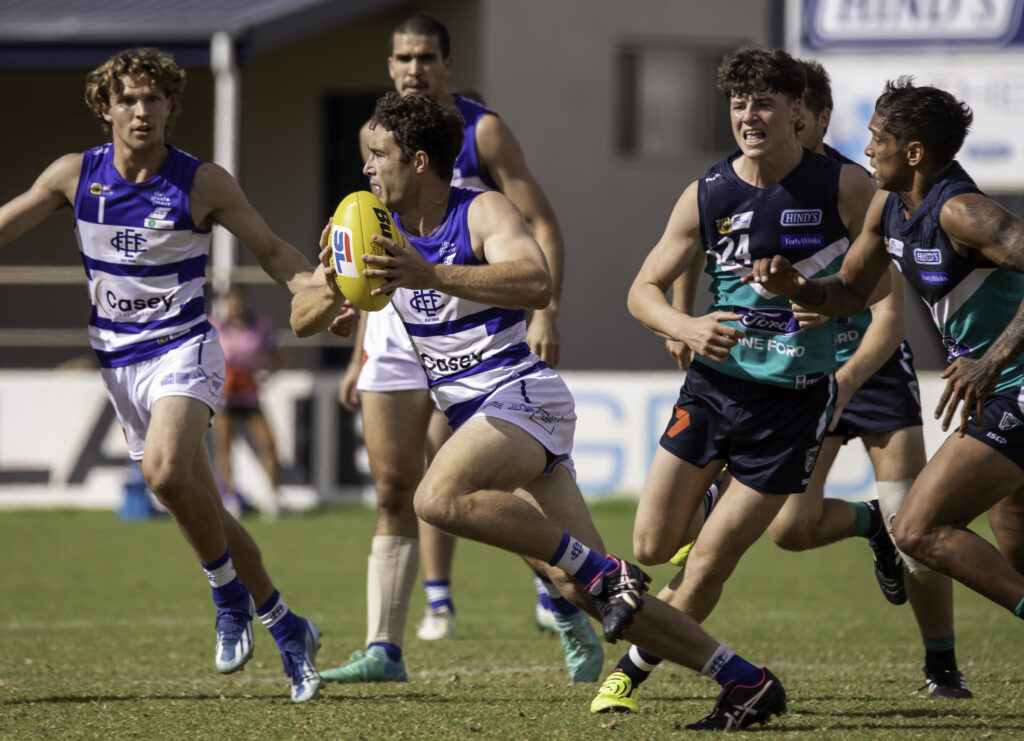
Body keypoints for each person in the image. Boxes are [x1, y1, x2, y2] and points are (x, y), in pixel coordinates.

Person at [293, 90, 789, 731]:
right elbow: (302, 316)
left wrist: (432, 274)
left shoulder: (480, 211)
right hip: (482, 418)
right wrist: (338, 278)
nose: (366, 168)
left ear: (418, 160)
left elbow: (536, 281)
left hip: (524, 397)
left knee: (434, 498)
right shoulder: (365, 225)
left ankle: (603, 570)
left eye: (378, 155)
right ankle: (745, 679)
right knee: (587, 594)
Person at [0, 47, 345, 702]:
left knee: (164, 471)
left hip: (184, 348)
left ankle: (226, 598)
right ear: (105, 107)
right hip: (118, 366)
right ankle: (286, 624)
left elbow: (274, 253)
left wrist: (318, 293)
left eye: (153, 99)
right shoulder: (75, 176)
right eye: (127, 98)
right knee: (199, 503)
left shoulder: (201, 183)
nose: (140, 110)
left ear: (170, 109)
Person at [588, 46, 876, 714]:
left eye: (765, 102)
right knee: (651, 545)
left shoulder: (844, 187)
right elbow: (642, 290)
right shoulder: (709, 192)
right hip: (716, 389)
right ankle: (713, 510)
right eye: (739, 103)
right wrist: (685, 327)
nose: (750, 116)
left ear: (797, 111)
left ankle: (633, 671)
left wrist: (821, 294)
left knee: (711, 561)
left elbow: (877, 287)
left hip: (792, 405)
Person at [328, 11, 594, 685]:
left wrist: (547, 307)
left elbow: (539, 224)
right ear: (389, 66)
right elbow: (355, 248)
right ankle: (387, 644)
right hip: (399, 301)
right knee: (396, 482)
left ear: (447, 65)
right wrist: (360, 338)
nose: (412, 68)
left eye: (425, 57)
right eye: (401, 58)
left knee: (470, 476)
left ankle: (562, 588)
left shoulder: (481, 132)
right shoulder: (375, 137)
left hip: (470, 304)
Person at [745, 76, 1024, 655]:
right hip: (995, 392)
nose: (867, 148)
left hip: (1013, 385)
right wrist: (796, 284)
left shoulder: (963, 211)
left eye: (877, 139)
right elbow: (849, 290)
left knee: (917, 529)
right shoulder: (888, 207)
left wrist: (991, 360)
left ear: (914, 152)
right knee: (1016, 556)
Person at [764, 60, 970, 698]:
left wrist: (849, 380)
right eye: (776, 109)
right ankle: (870, 525)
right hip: (807, 371)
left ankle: (942, 667)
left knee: (918, 529)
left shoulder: (861, 185)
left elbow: (885, 311)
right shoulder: (749, 182)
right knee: (791, 530)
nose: (782, 121)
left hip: (874, 371)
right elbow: (699, 252)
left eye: (797, 111)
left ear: (819, 116)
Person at [210, 284, 284, 519]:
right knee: (224, 447)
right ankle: (230, 498)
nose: (236, 305)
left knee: (268, 443)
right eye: (231, 302)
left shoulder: (260, 327)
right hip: (225, 398)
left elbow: (278, 355)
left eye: (238, 300)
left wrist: (267, 372)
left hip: (250, 396)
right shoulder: (216, 327)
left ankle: (273, 498)